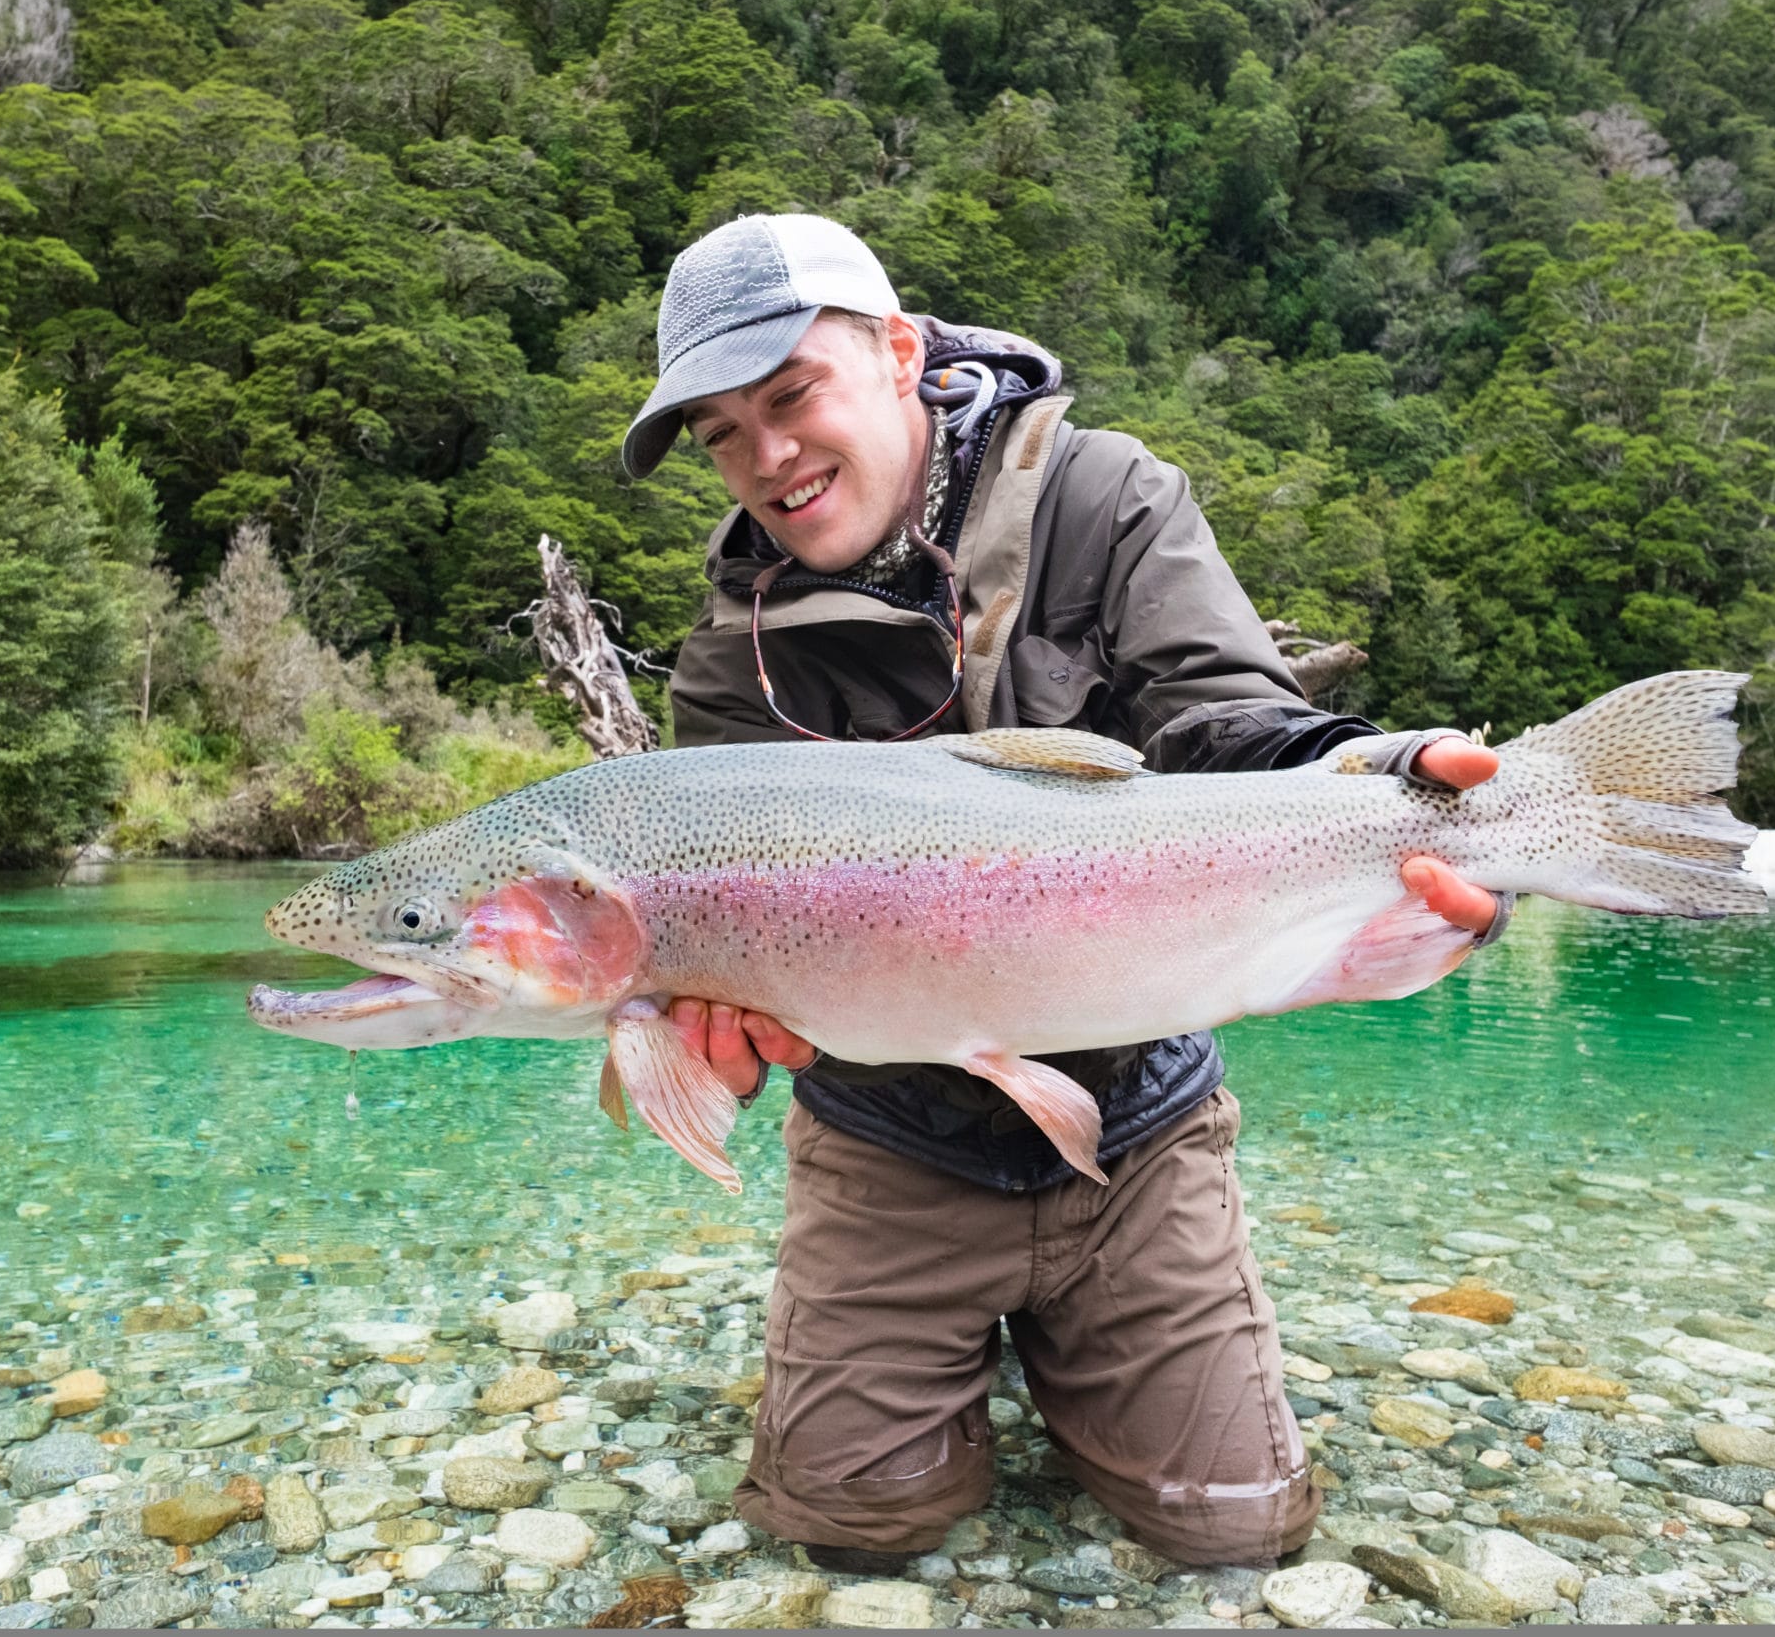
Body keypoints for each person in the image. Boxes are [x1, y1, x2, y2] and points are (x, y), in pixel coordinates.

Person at [619, 213, 1507, 1575]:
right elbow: (725, 999)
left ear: (902, 353)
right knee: (849, 1534)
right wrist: (710, 1042)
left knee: (1238, 1538)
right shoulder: (735, 673)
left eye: (791, 397)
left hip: (1140, 1123)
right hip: (887, 1147)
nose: (767, 458)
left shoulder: (1103, 499)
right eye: (723, 434)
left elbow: (1226, 724)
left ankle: (1073, 1345)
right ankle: (977, 1356)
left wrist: (1376, 774)